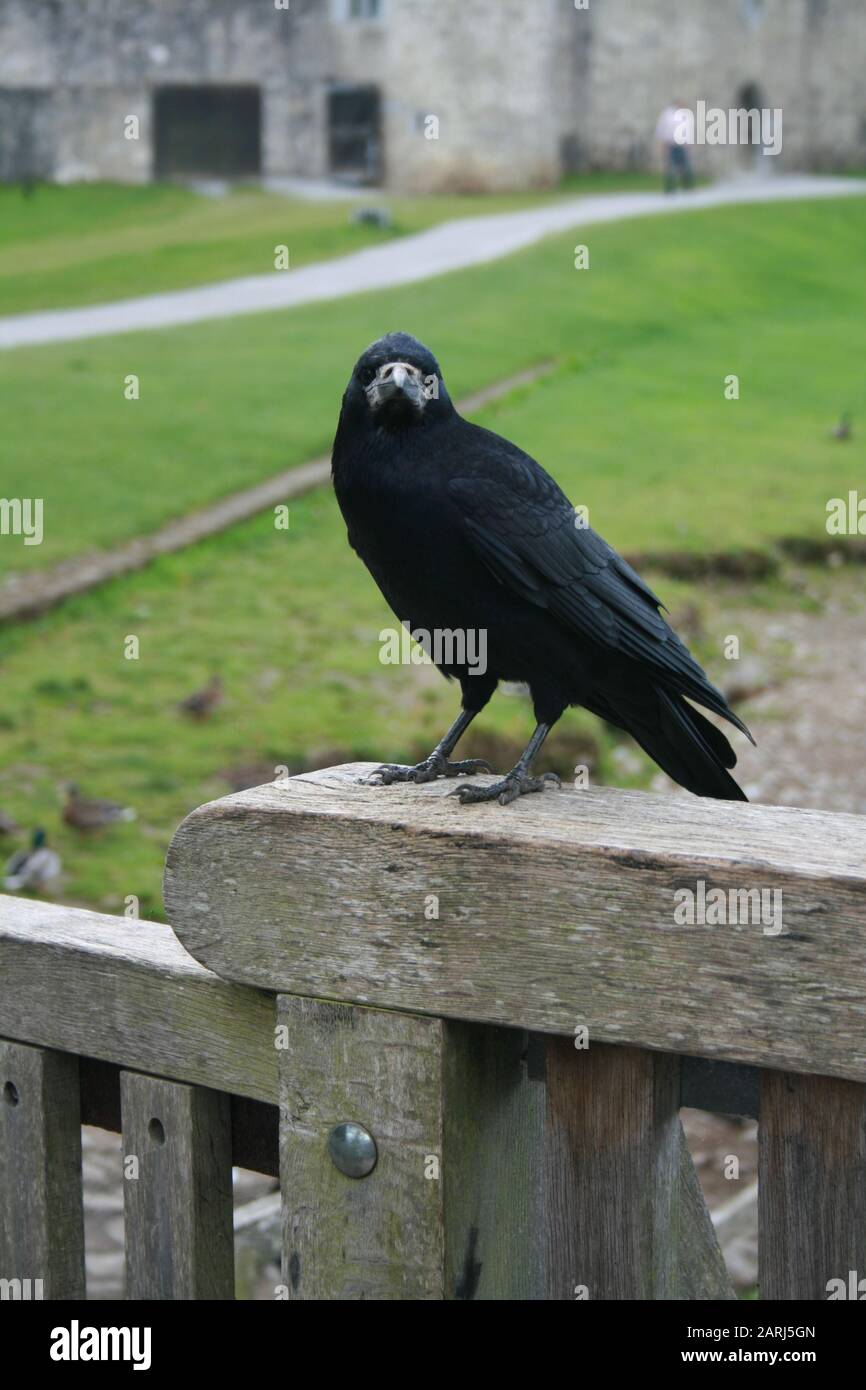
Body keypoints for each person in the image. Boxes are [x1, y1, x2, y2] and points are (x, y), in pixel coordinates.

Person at [655, 98, 694, 193]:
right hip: (670, 144)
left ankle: (687, 188)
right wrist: (662, 146)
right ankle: (670, 189)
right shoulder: (668, 114)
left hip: (682, 145)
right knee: (670, 168)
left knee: (685, 167)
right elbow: (662, 130)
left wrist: (689, 145)